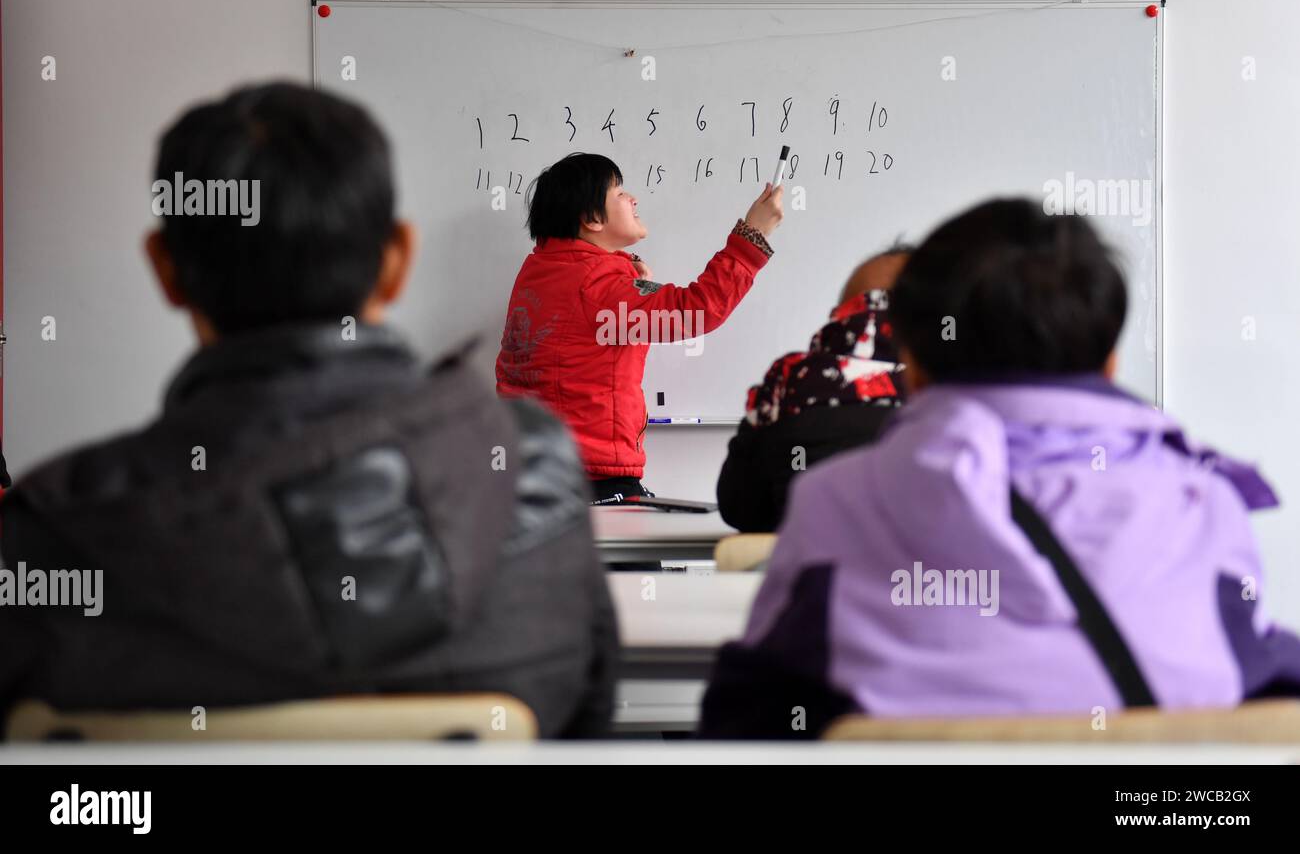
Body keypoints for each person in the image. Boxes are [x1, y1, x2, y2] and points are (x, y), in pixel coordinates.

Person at [0, 82, 616, 738]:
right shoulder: (533, 472)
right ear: (396, 261)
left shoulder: (49, 529)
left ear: (166, 270)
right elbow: (587, 734)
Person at [699, 197, 1299, 738]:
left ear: (913, 366)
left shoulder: (837, 501)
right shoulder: (1205, 501)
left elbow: (750, 715)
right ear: (1110, 364)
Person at [495, 152, 783, 502]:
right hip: (592, 479)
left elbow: (588, 329)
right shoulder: (598, 287)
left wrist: (632, 279)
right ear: (590, 219)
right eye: (618, 192)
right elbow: (697, 309)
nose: (633, 199)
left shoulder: (540, 272)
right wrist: (752, 236)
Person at [716, 244, 911, 532]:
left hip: (813, 572)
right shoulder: (964, 393)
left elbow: (739, 507)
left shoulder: (788, 383)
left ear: (839, 316)